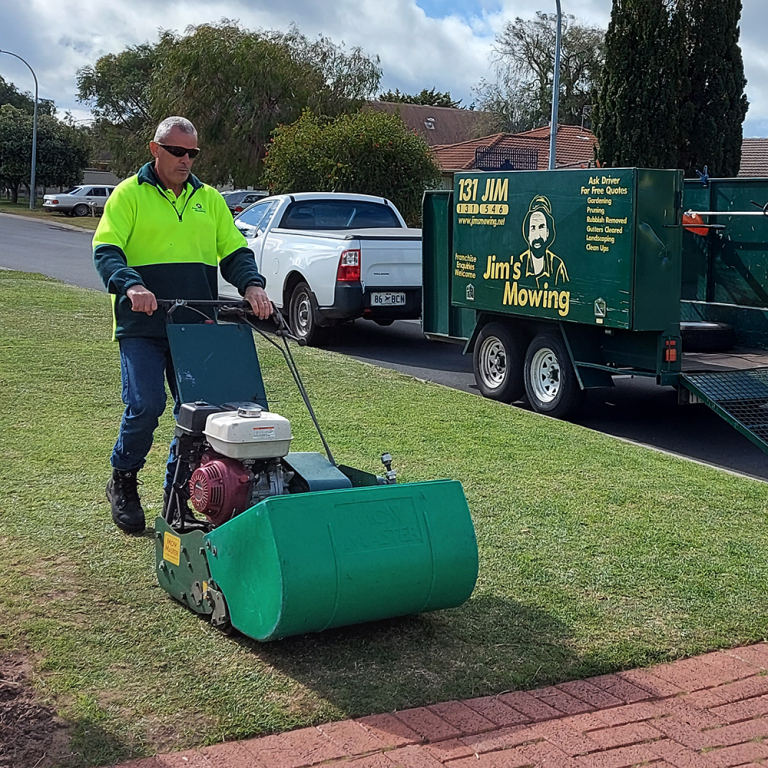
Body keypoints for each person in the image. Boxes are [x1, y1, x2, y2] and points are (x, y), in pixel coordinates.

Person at [93, 116, 272, 534]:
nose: (185, 160)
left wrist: (253, 286)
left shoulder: (208, 199)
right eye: (177, 151)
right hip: (142, 325)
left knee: (200, 415)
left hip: (195, 325)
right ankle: (123, 478)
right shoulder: (128, 195)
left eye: (192, 153)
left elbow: (234, 250)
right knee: (146, 405)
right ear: (155, 149)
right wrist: (131, 284)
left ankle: (177, 491)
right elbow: (106, 250)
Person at [519, 194, 569, 288]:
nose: (537, 236)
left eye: (541, 227)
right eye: (533, 228)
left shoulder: (557, 266)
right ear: (528, 234)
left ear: (548, 232)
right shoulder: (519, 263)